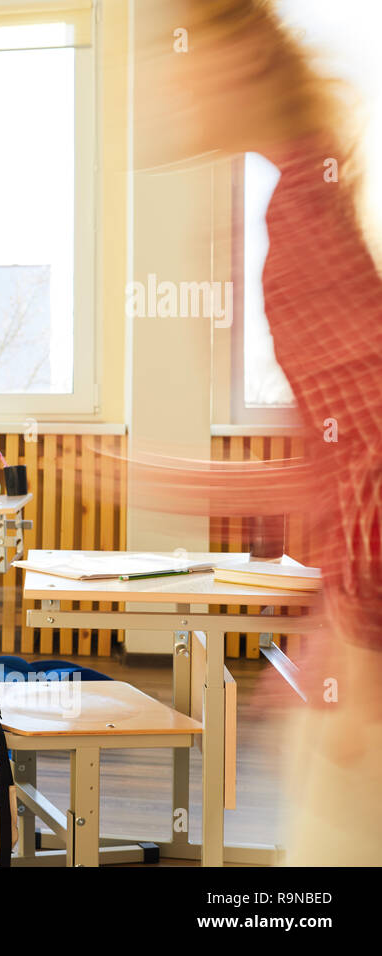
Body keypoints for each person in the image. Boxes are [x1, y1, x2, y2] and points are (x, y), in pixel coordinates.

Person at [134, 0, 382, 864]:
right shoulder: (323, 179)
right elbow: (343, 457)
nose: (161, 80)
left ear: (236, 59)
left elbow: (378, 447)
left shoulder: (307, 212)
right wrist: (187, 482)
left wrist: (360, 654)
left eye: (177, 54)